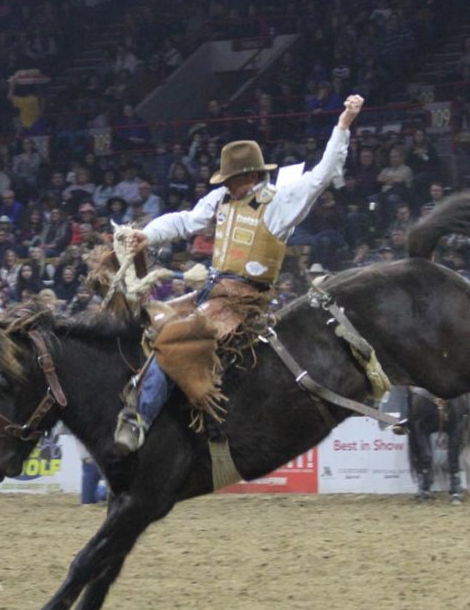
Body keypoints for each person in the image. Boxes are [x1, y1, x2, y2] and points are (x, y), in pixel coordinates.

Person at [114, 94, 364, 452]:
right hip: (213, 291)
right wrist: (147, 233)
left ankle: (140, 419)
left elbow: (321, 175)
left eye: (230, 178)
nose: (225, 184)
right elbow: (186, 221)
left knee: (178, 336)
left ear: (247, 176)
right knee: (155, 321)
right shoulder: (221, 200)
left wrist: (342, 126)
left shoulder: (278, 203)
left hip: (242, 300)